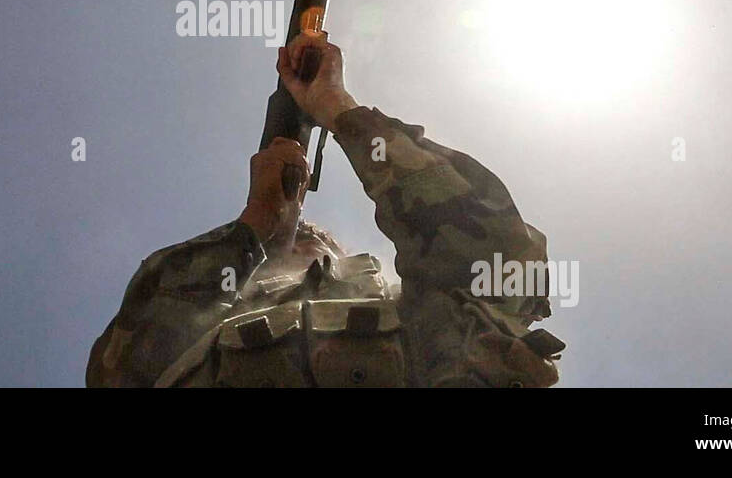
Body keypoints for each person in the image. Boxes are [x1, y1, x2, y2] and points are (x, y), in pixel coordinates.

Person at [86, 31, 564, 387]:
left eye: (321, 240)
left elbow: (492, 247)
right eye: (295, 242)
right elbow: (123, 370)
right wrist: (252, 227)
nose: (307, 242)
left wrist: (337, 109)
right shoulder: (207, 315)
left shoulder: (427, 310)